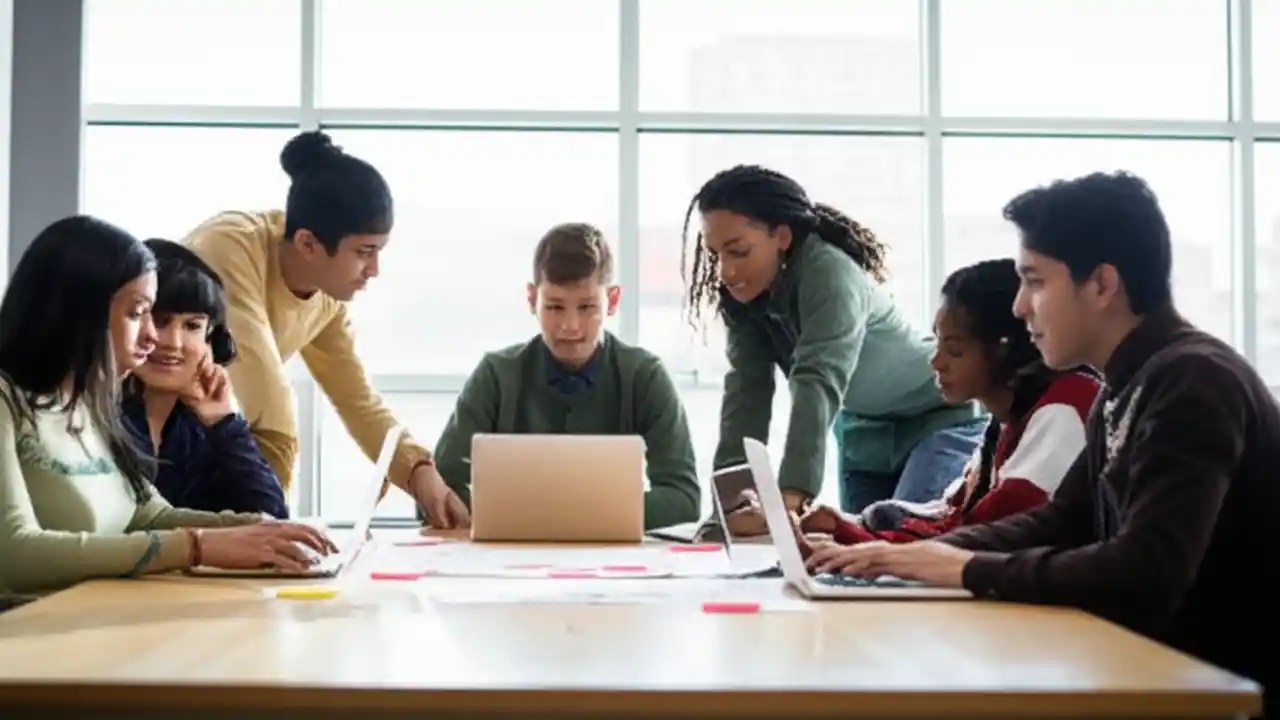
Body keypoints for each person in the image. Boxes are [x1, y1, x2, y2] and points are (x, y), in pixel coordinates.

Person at [805, 171, 1275, 716]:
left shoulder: (1192, 380)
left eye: (1035, 281)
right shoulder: (1125, 385)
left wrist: (962, 569)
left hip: (1210, 690)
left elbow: (1147, 570)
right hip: (1157, 672)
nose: (1021, 307)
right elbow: (1063, 520)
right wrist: (919, 556)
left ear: (1101, 284)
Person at [0, 216, 334, 600]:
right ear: (79, 311)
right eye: (138, 313)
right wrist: (198, 546)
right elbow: (15, 555)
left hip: (94, 623)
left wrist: (261, 528)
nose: (153, 337)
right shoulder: (6, 402)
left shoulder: (88, 407)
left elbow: (149, 515)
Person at [184, 130, 468, 528]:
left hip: (207, 435)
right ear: (308, 244)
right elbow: (267, 395)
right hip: (150, 439)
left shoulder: (326, 297)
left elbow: (357, 400)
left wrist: (420, 474)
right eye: (364, 252)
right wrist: (273, 527)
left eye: (379, 252)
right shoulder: (228, 248)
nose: (374, 270)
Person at [680, 164, 985, 532]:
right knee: (859, 558)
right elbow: (747, 395)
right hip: (863, 437)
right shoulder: (746, 300)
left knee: (905, 540)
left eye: (738, 252)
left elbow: (817, 378)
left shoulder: (829, 273)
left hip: (939, 420)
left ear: (782, 235)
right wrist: (729, 504)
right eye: (715, 256)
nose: (726, 272)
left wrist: (789, 502)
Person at [799, 258, 1099, 544]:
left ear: (1003, 349)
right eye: (937, 342)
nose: (936, 362)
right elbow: (951, 515)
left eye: (954, 350)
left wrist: (860, 541)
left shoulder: (1063, 410)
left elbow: (985, 535)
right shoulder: (1006, 423)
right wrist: (849, 527)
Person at [434, 223, 700, 529]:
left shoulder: (645, 376)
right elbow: (439, 490)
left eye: (587, 307)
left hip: (614, 564)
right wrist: (570, 513)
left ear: (612, 301)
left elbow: (684, 499)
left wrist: (558, 514)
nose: (570, 326)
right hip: (513, 563)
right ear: (532, 299)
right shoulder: (496, 375)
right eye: (554, 307)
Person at [121, 239, 287, 519]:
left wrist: (225, 423)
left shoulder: (202, 427)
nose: (174, 343)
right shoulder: (97, 413)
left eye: (192, 326)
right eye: (160, 321)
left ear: (213, 341)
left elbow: (270, 516)